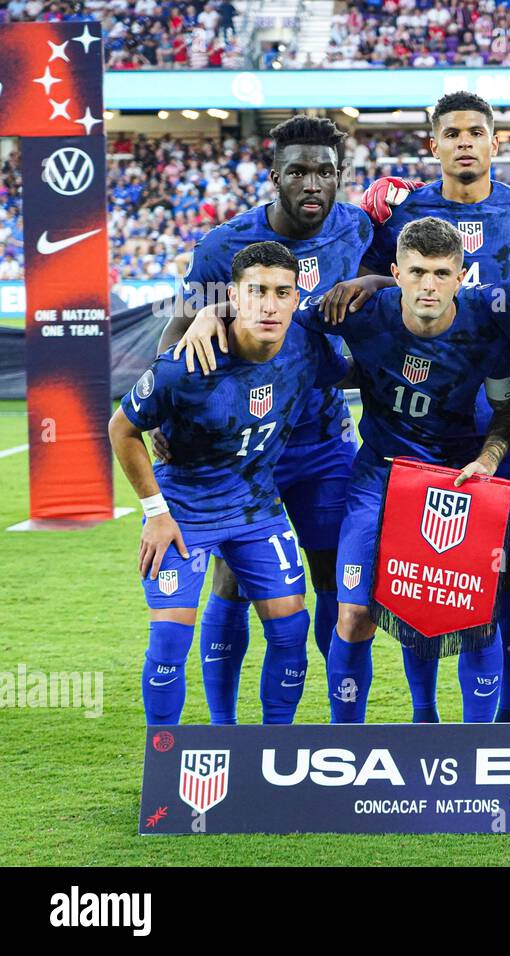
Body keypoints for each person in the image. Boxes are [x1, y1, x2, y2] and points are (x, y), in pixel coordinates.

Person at [179, 218, 510, 725]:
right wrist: (216, 310)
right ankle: (349, 740)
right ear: (396, 272)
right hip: (380, 476)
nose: (429, 285)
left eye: (442, 273)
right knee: (353, 613)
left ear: (462, 275)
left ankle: (476, 741)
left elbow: (508, 410)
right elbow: (279, 309)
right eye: (417, 272)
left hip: (460, 480)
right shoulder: (359, 312)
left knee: (476, 619)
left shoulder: (487, 327)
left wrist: (488, 461)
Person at [160, 115, 372, 724]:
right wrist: (165, 413)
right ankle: (226, 731)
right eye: (298, 171)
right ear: (274, 175)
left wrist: (373, 276)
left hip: (322, 440)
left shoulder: (356, 228)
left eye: (325, 172)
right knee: (232, 578)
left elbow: (406, 276)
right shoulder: (224, 245)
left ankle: (343, 729)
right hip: (244, 450)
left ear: (340, 178)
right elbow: (177, 328)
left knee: (336, 576)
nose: (312, 183)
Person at [358, 91, 510, 723]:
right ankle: (425, 721)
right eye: (452, 133)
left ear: (497, 142)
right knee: (424, 590)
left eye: (477, 131)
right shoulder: (396, 215)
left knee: (504, 591)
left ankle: (503, 722)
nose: (465, 142)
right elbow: (370, 294)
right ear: (431, 144)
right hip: (417, 448)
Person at [109, 242, 348, 726]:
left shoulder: (306, 343)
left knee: (290, 630)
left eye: (282, 292)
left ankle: (271, 750)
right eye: (256, 291)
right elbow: (122, 428)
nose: (269, 304)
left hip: (257, 509)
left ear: (297, 297)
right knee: (170, 641)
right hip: (183, 515)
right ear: (234, 298)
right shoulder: (187, 362)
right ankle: (165, 758)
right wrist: (155, 513)